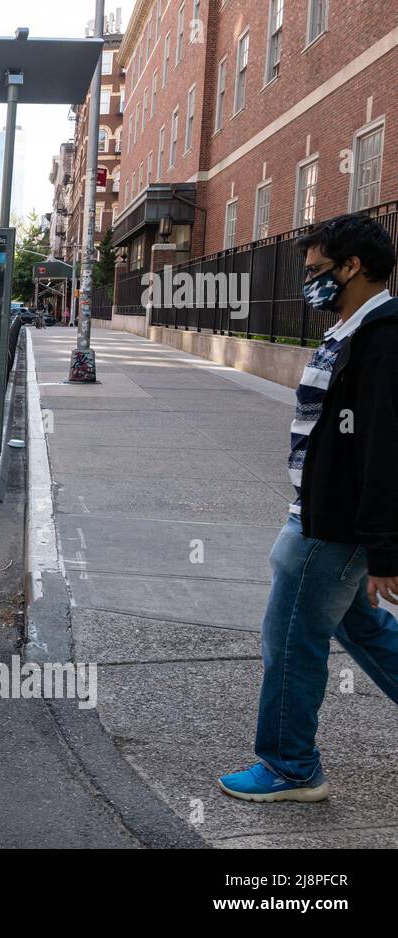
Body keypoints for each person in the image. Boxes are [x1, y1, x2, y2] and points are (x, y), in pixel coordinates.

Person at [219, 213, 398, 803]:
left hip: (332, 524)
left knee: (292, 640)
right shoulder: (349, 331)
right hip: (320, 510)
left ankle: (291, 767)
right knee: (362, 628)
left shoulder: (384, 341)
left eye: (319, 271)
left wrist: (383, 548)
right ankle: (291, 763)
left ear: (355, 267)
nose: (309, 283)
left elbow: (384, 448)